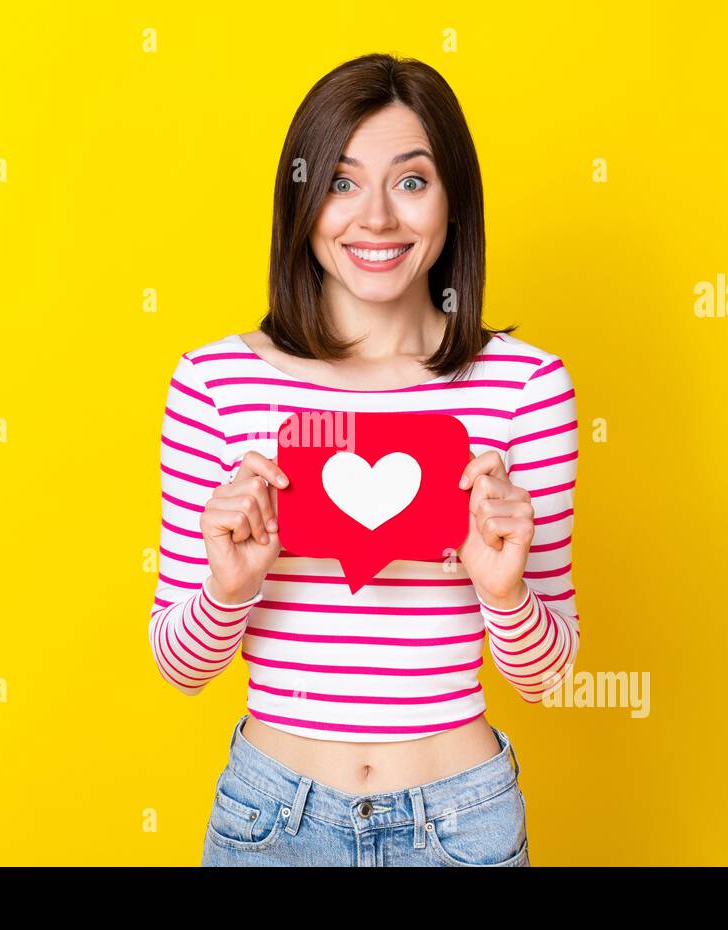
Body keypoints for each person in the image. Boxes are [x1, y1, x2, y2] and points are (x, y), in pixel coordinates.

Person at [149, 52, 580, 866]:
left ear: (454, 202)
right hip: (271, 820)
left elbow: (545, 672)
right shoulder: (214, 383)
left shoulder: (526, 387)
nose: (375, 218)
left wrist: (506, 589)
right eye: (342, 183)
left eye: (411, 181)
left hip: (464, 821)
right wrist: (227, 588)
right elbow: (179, 664)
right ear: (303, 204)